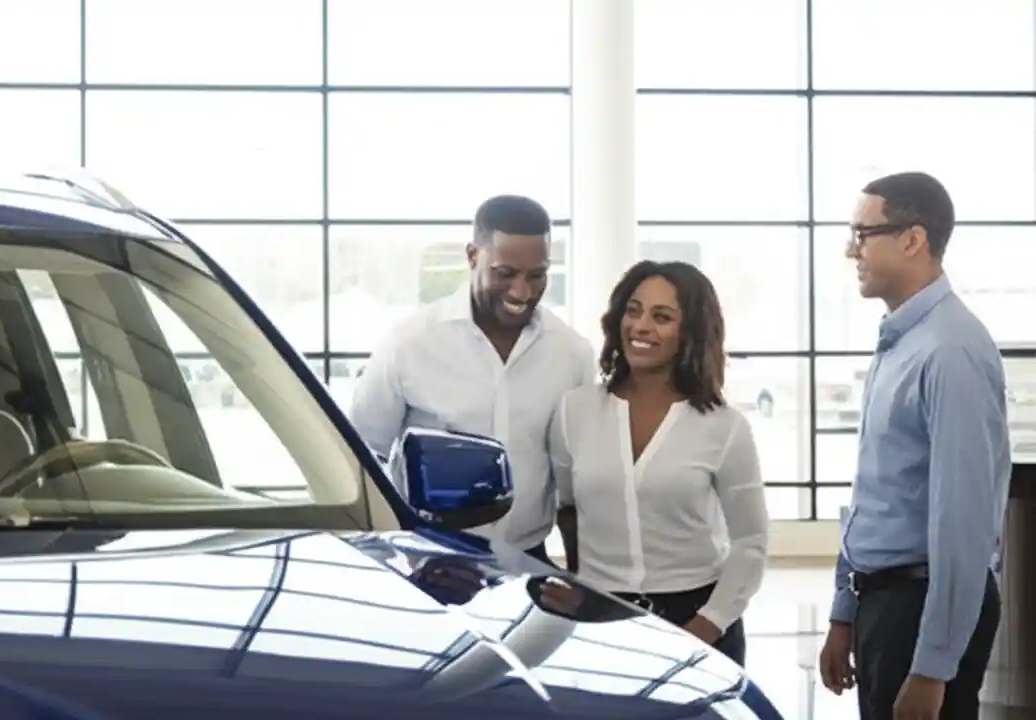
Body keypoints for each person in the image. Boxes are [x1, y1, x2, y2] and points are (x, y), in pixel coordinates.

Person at [817, 171, 1010, 720]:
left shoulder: (949, 351)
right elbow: (876, 494)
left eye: (862, 233)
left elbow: (963, 526)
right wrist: (844, 610)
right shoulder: (902, 341)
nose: (850, 249)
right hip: (884, 604)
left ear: (912, 239)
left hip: (919, 611)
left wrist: (932, 668)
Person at [538, 259, 770, 666]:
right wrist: (582, 583)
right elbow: (569, 507)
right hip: (600, 618)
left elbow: (750, 542)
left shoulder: (725, 426)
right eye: (633, 311)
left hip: (699, 620)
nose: (641, 327)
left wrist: (706, 626)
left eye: (661, 317)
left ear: (691, 332)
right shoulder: (575, 410)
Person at [348, 194, 595, 563]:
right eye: (505, 273)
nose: (522, 292)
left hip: (529, 558)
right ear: (472, 256)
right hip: (429, 557)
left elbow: (575, 479)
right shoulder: (409, 343)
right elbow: (364, 457)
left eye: (537, 275)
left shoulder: (572, 353)